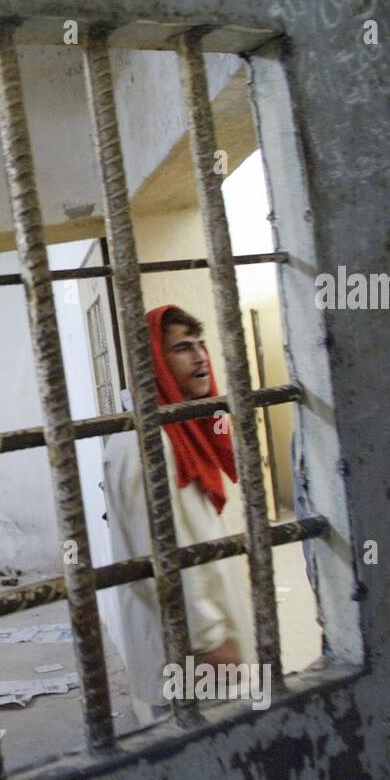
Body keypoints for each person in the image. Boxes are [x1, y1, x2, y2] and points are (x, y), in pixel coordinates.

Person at [102, 304, 254, 722]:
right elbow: (158, 557)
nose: (201, 356)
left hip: (206, 653)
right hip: (194, 660)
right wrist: (209, 639)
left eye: (201, 343)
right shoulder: (143, 444)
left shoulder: (182, 431)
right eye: (183, 348)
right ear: (154, 363)